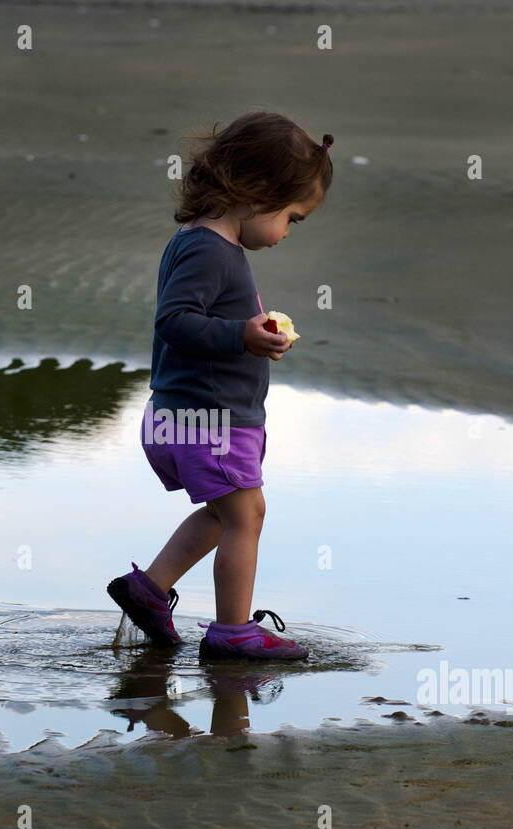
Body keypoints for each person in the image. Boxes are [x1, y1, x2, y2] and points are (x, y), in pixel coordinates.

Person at [107, 111, 334, 660]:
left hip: (187, 415)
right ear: (258, 193)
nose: (285, 235)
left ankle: (150, 589)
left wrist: (249, 334)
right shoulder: (210, 249)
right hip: (209, 419)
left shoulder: (196, 242)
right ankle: (233, 633)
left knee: (224, 513)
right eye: (292, 219)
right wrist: (243, 336)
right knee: (247, 515)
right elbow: (174, 320)